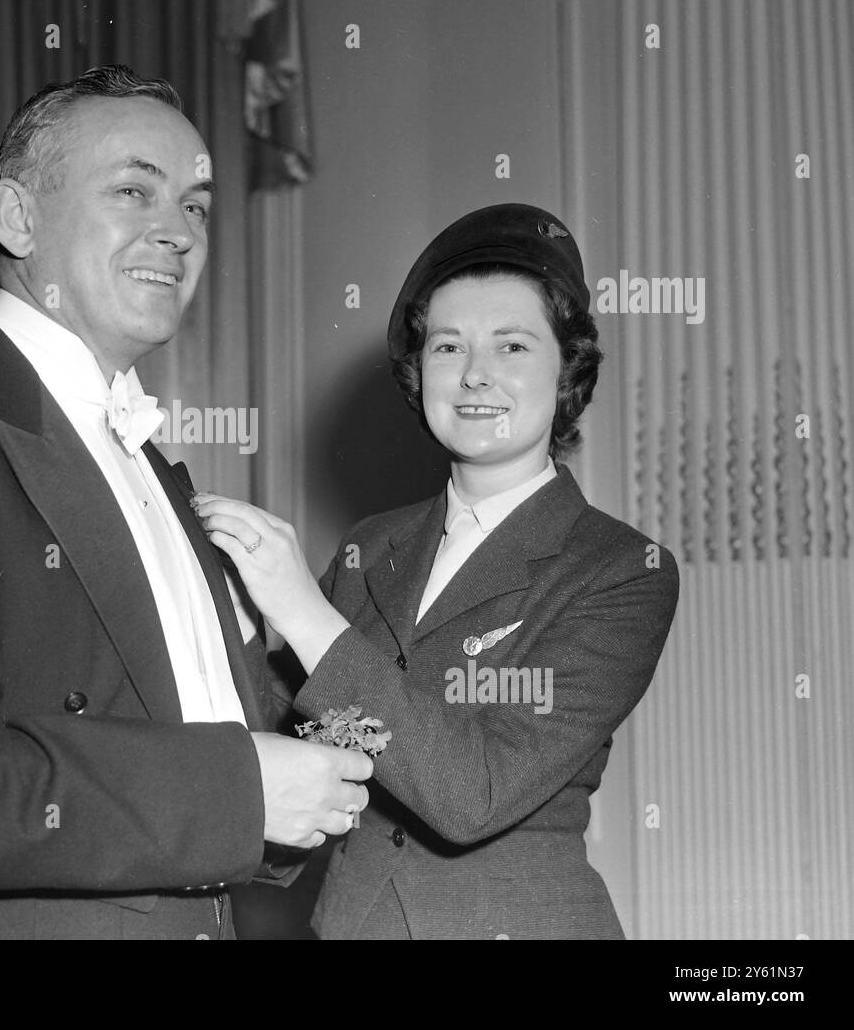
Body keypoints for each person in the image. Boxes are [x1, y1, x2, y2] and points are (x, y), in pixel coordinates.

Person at [0, 64, 372, 940]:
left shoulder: (155, 468)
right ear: (18, 218)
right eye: (134, 190)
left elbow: (196, 750)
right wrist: (244, 788)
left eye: (197, 207)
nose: (176, 232)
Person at [195, 203, 680, 939]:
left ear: (567, 369)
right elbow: (291, 785)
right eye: (448, 348)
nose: (476, 375)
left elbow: (472, 794)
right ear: (419, 375)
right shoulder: (371, 547)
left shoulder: (618, 570)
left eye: (513, 347)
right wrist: (228, 633)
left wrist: (301, 612)